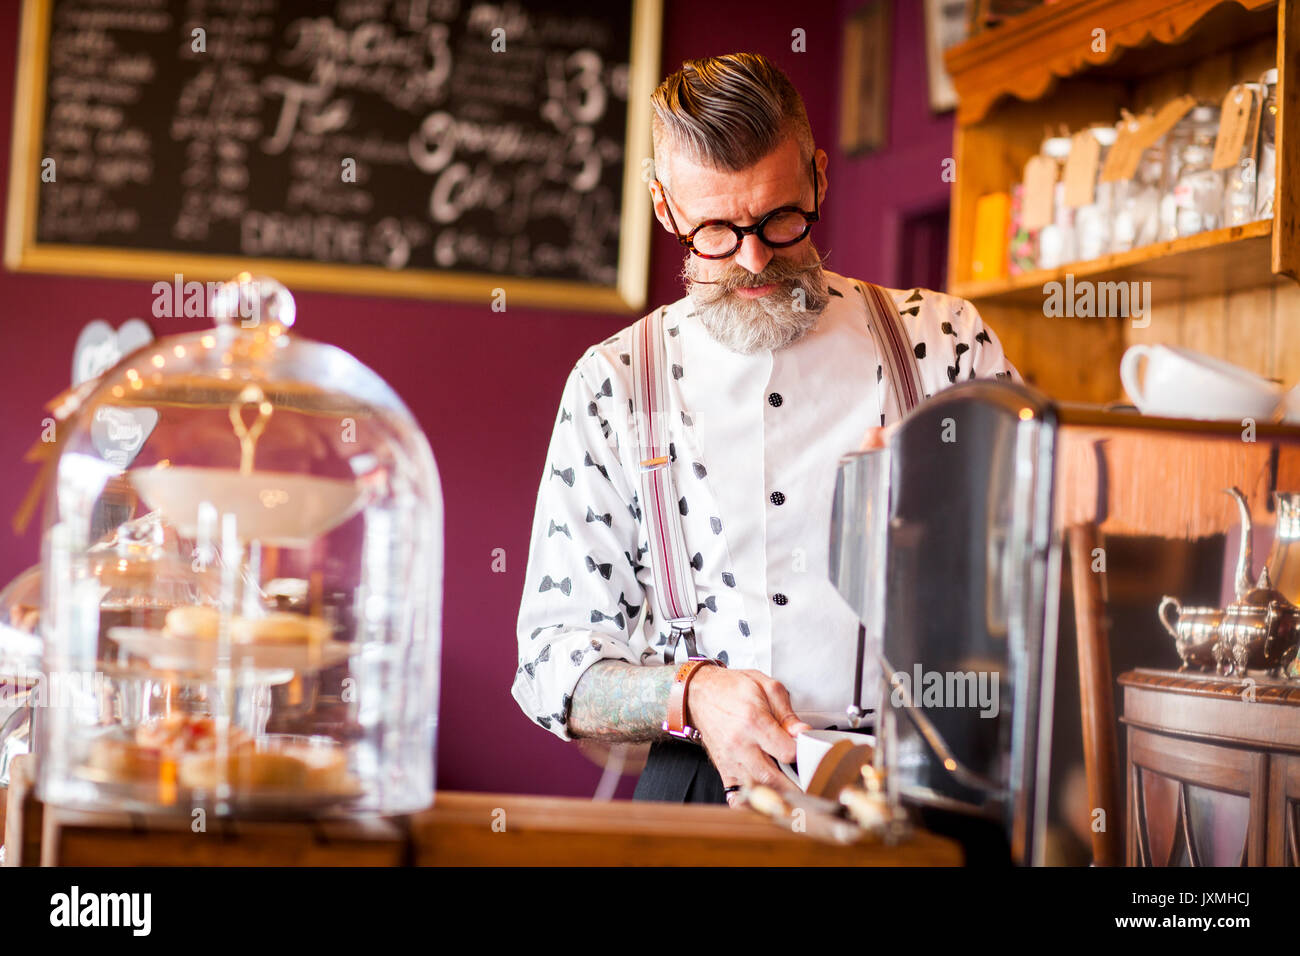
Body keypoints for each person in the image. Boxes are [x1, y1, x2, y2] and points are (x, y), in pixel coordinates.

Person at [511, 52, 1020, 805]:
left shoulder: (945, 342)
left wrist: (940, 526)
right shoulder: (613, 384)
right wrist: (690, 694)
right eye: (716, 228)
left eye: (781, 218)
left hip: (926, 784)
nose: (753, 259)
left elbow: (1039, 579)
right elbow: (553, 666)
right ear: (664, 208)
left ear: (818, 174)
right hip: (701, 787)